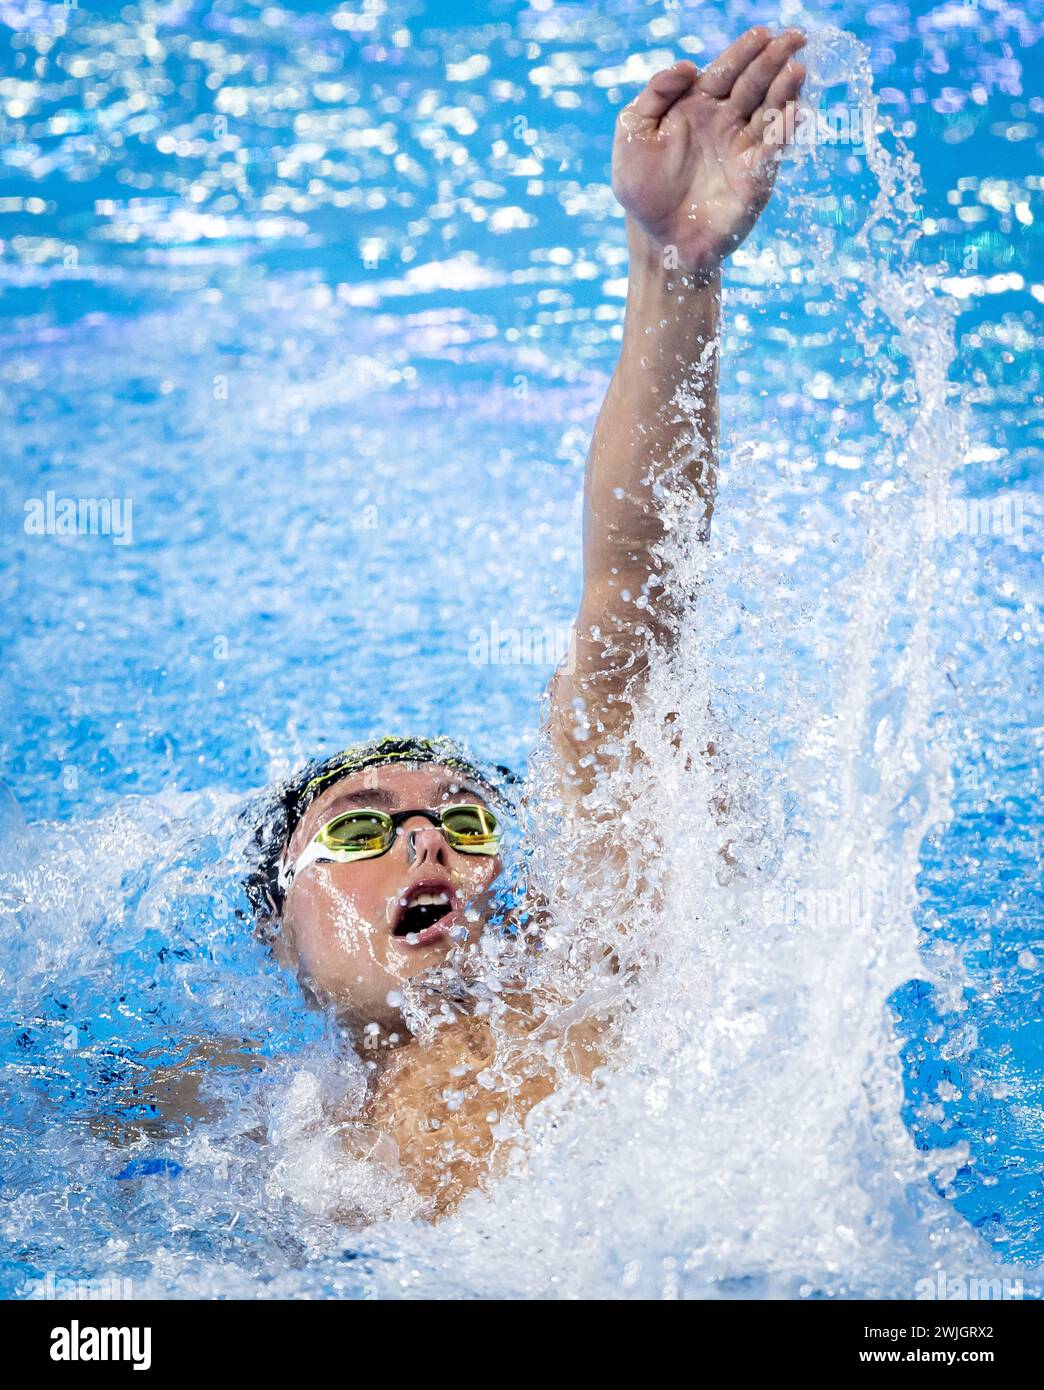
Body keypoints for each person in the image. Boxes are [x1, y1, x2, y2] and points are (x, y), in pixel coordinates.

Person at [244, 26, 808, 1215]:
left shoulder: (595, 1006)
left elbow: (630, 622)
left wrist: (676, 271)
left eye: (460, 816)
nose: (430, 843)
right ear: (280, 937)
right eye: (358, 833)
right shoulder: (257, 1153)